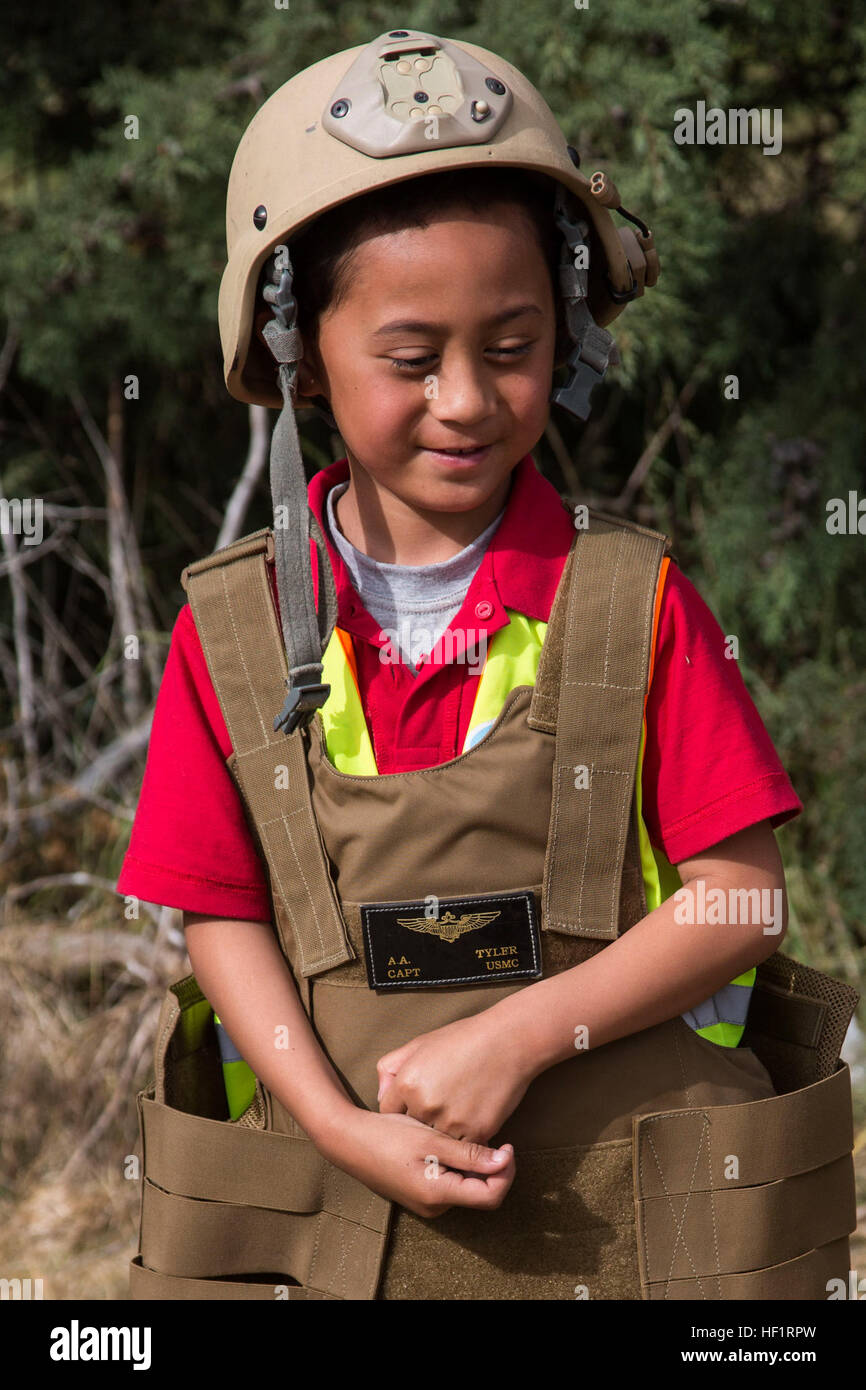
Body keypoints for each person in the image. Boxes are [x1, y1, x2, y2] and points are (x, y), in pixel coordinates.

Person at [120, 28, 858, 1301]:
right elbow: (218, 914)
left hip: (634, 1249)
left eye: (510, 348)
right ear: (297, 358)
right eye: (410, 359)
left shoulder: (636, 605)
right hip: (328, 1239)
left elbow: (741, 896)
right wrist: (343, 1129)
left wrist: (522, 1034)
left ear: (563, 328)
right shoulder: (229, 635)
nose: (465, 398)